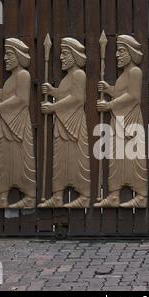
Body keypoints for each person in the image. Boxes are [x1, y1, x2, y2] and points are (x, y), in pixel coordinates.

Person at [94, 35, 148, 208]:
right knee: (117, 157)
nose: (117, 54)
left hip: (130, 121)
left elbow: (133, 97)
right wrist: (110, 89)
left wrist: (109, 104)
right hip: (119, 120)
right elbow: (122, 92)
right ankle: (114, 195)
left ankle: (141, 196)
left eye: (121, 50)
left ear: (131, 53)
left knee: (133, 157)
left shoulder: (135, 72)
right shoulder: (125, 73)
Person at [38, 38, 91, 208]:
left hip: (74, 123)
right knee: (60, 159)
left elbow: (77, 99)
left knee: (77, 159)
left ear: (75, 56)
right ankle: (58, 196)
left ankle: (84, 196)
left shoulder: (78, 74)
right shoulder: (69, 76)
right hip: (63, 123)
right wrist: (53, 91)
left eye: (65, 53)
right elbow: (66, 94)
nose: (61, 57)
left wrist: (53, 106)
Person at [0, 38, 36, 209]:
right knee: (5, 159)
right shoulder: (13, 77)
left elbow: (21, 100)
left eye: (9, 54)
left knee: (22, 159)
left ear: (19, 56)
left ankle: (29, 197)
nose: (6, 58)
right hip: (7, 123)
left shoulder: (23, 75)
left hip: (18, 124)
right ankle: (3, 196)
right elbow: (10, 95)